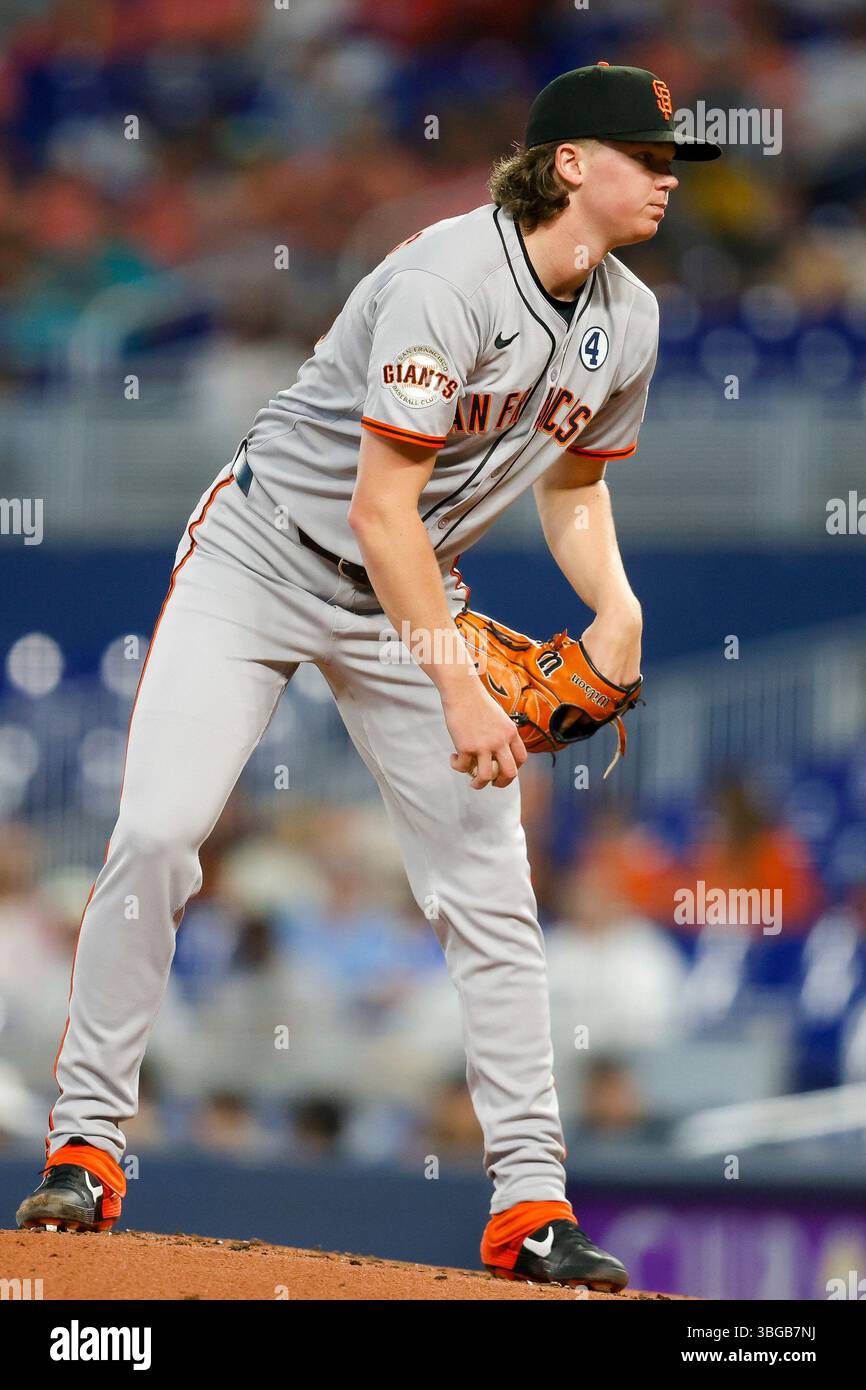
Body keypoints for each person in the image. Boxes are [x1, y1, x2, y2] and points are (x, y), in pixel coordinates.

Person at [17, 64, 719, 1289]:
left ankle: (531, 1206)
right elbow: (379, 508)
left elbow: (575, 487)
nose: (665, 176)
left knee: (489, 888)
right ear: (568, 163)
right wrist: (460, 685)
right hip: (264, 553)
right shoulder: (449, 278)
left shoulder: (632, 319)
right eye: (643, 155)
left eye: (670, 160)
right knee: (157, 834)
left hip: (408, 591)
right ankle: (86, 1141)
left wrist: (616, 602)